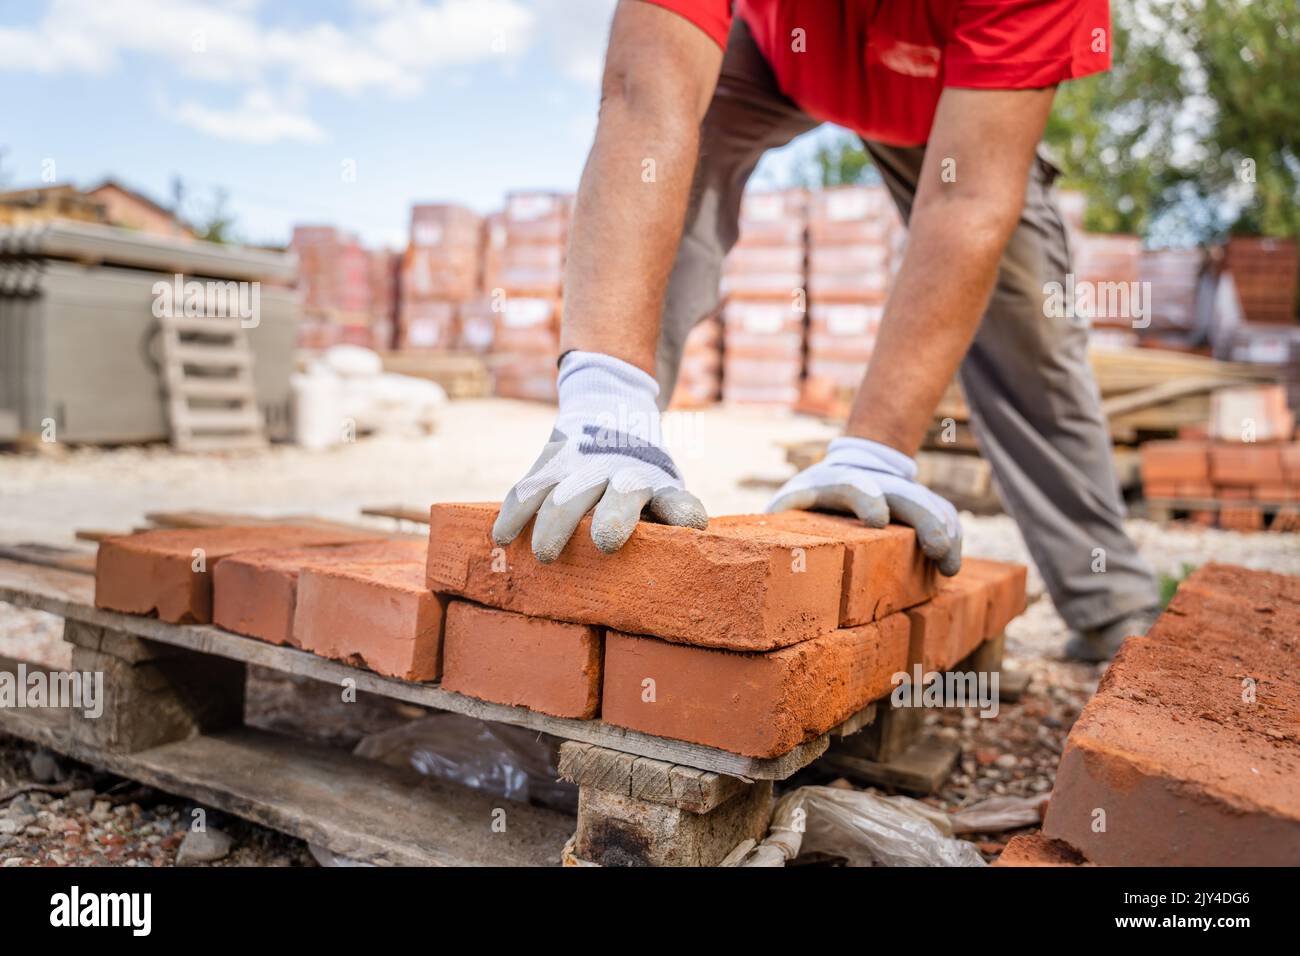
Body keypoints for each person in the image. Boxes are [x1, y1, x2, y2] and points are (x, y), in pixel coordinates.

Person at [491, 0, 1160, 661]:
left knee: (1025, 320)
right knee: (667, 186)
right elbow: (643, 97)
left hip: (946, 100)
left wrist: (878, 448)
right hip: (776, 54)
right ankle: (604, 485)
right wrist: (607, 395)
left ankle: (1108, 600)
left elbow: (969, 200)